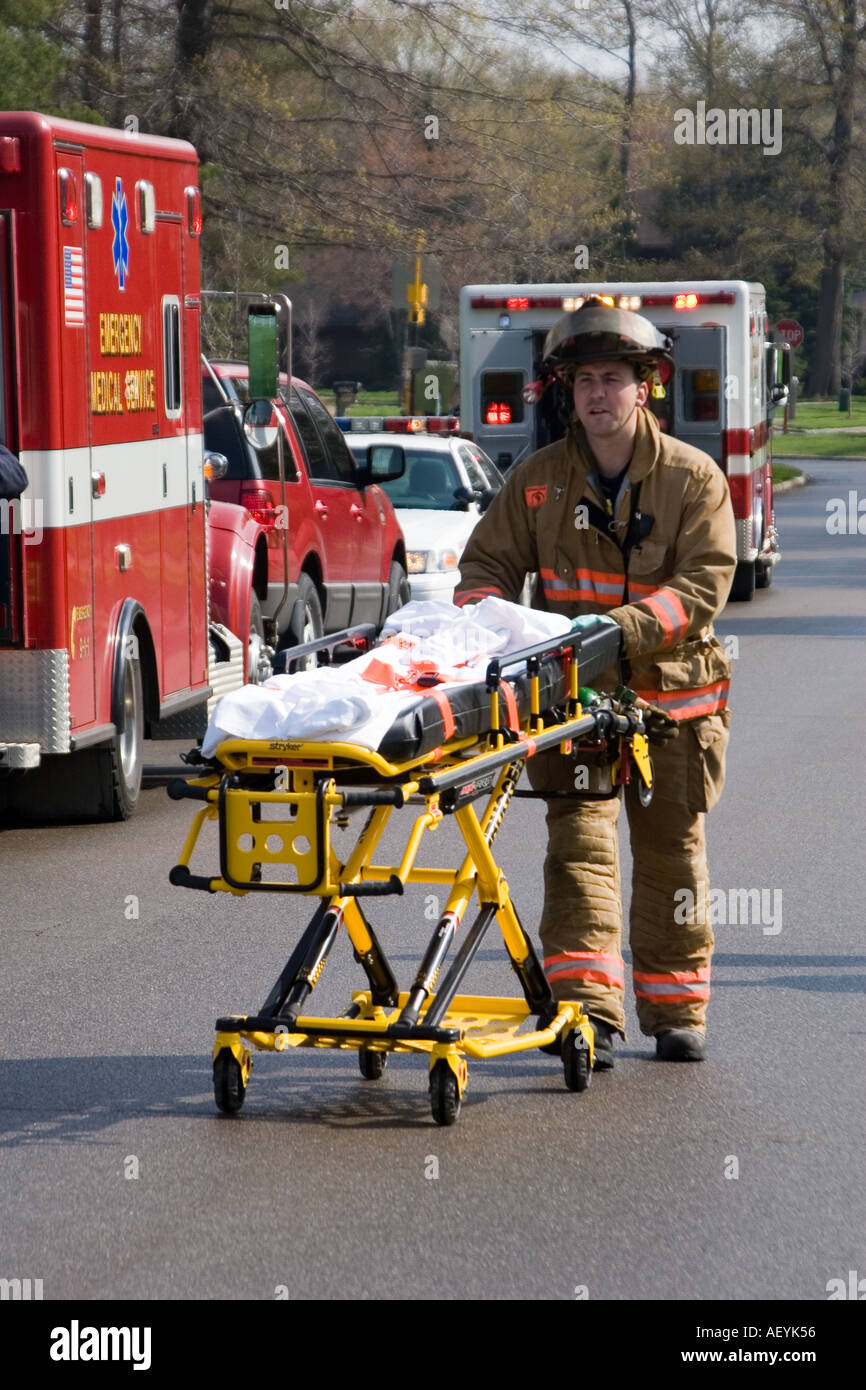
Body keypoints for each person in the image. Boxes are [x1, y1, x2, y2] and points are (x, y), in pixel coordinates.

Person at [454, 298, 737, 1065]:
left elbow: (706, 580)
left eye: (614, 379)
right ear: (568, 392)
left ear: (645, 387)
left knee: (672, 855)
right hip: (575, 710)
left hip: (671, 710)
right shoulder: (539, 482)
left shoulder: (693, 479)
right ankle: (588, 1013)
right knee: (577, 854)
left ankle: (677, 1011)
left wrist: (624, 630)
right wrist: (496, 625)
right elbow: (482, 569)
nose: (597, 395)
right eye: (584, 382)